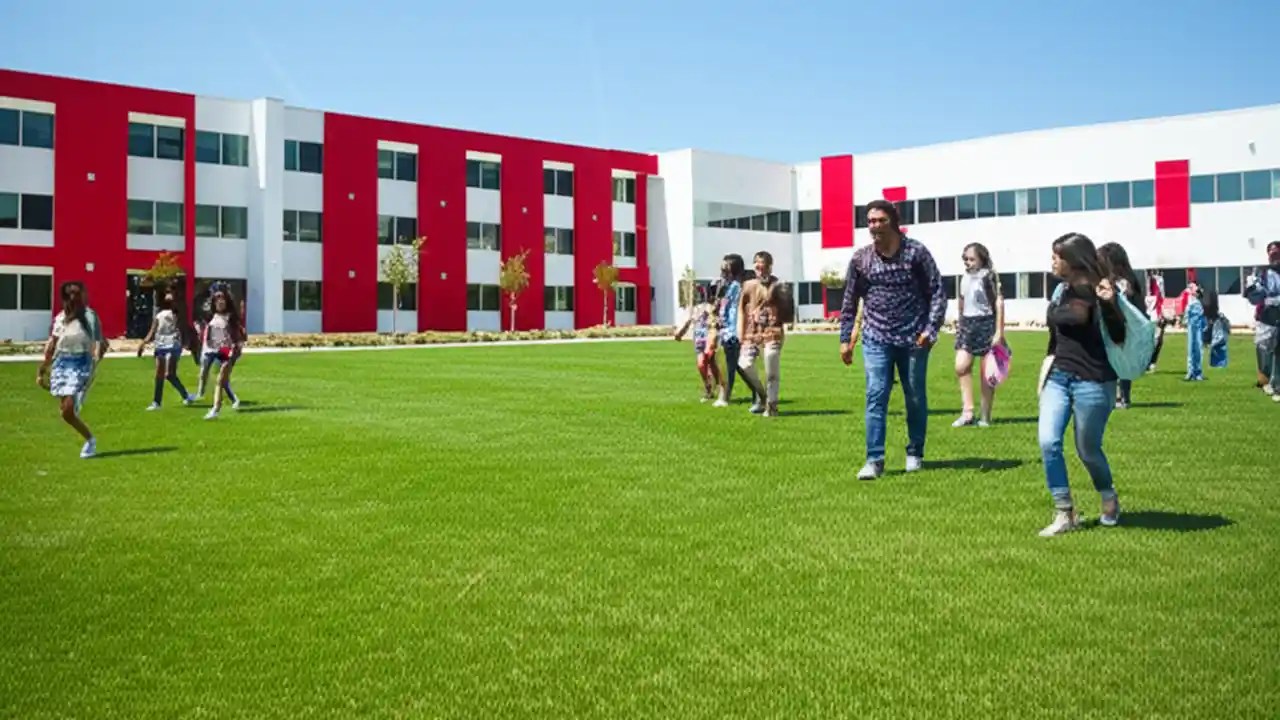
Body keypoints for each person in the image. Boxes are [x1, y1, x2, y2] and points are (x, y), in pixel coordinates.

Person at [838, 200, 947, 480]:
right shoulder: (861, 259)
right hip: (876, 337)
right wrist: (845, 338)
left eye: (880, 220)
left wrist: (930, 329)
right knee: (876, 395)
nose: (874, 226)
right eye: (870, 221)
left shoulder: (916, 253)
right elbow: (850, 300)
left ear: (894, 222)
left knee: (914, 396)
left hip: (913, 338)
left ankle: (915, 452)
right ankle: (874, 459)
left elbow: (936, 291)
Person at [1037, 233, 1127, 536]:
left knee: (1087, 450)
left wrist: (1110, 304)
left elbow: (1116, 334)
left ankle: (1108, 497)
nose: (1052, 261)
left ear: (1072, 261)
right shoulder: (1061, 291)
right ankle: (1065, 512)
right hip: (1059, 377)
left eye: (1056, 256)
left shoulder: (1103, 291)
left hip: (1094, 381)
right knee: (1049, 442)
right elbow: (1060, 326)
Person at [35, 281, 105, 458]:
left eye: (76, 294)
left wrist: (94, 363)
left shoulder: (89, 316)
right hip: (62, 362)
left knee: (68, 409)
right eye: (69, 295)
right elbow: (52, 344)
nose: (73, 299)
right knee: (66, 414)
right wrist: (42, 369)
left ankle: (90, 441)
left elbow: (99, 343)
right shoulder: (60, 319)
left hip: (81, 361)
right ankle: (78, 404)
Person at [952, 243, 1004, 427]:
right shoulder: (965, 277)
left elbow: (998, 302)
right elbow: (962, 300)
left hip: (986, 323)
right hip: (967, 324)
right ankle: (967, 412)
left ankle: (985, 416)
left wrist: (999, 330)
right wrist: (958, 323)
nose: (968, 262)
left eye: (972, 259)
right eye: (965, 259)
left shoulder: (988, 276)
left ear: (982, 259)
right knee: (961, 366)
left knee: (987, 373)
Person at [737, 251, 792, 417]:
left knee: (771, 369)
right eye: (758, 267)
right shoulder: (748, 286)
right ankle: (762, 394)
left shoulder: (779, 285)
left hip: (772, 332)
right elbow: (741, 309)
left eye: (764, 267)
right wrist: (740, 331)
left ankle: (772, 405)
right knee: (745, 364)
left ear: (770, 267)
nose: (761, 270)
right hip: (752, 333)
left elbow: (788, 312)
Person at [1097, 242, 1143, 408]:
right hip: (1119, 326)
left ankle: (1120, 396)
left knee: (1118, 361)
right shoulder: (1129, 282)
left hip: (1120, 325)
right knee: (1118, 361)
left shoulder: (1123, 284)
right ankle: (1121, 396)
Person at [136, 289, 197, 410]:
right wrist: (143, 343)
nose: (169, 297)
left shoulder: (178, 314)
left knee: (169, 374)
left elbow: (184, 328)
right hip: (160, 345)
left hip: (173, 345)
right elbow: (152, 331)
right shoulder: (159, 315)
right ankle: (156, 402)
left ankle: (185, 396)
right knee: (159, 375)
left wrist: (188, 342)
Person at [711, 255, 755, 408]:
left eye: (726, 268)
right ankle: (758, 391)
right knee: (737, 365)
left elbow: (737, 311)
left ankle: (724, 397)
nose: (722, 271)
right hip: (726, 329)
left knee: (728, 366)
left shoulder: (738, 287)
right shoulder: (727, 286)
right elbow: (724, 307)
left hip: (733, 331)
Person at [200, 284, 246, 419]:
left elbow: (238, 336)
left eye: (222, 298)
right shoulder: (212, 317)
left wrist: (236, 349)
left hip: (228, 350)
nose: (220, 301)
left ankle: (215, 409)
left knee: (220, 380)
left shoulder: (230, 317)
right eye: (217, 299)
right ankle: (234, 400)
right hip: (216, 349)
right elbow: (209, 334)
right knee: (223, 381)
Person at [673, 285, 722, 402]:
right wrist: (680, 334)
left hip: (710, 338)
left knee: (711, 360)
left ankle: (720, 387)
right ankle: (708, 387)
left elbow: (719, 323)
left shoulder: (714, 308)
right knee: (701, 364)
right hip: (700, 340)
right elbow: (688, 322)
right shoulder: (695, 309)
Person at [1245, 240, 1280, 400]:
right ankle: (1265, 383)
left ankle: (1277, 385)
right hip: (1267, 320)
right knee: (1264, 351)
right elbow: (1254, 297)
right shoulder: (1262, 274)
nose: (1276, 258)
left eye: (1278, 254)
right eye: (1273, 254)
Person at [1183, 283, 1206, 382]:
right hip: (1192, 325)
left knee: (1198, 348)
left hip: (1197, 325)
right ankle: (1191, 372)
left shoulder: (1198, 303)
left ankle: (1197, 372)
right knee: (1192, 348)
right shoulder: (1190, 301)